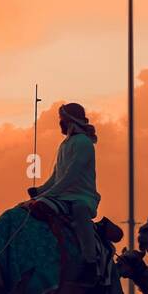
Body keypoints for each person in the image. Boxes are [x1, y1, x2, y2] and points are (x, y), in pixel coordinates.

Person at [28, 102, 101, 281]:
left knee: (79, 210)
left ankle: (90, 261)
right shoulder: (64, 145)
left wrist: (47, 195)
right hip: (61, 195)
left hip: (81, 197)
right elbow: (56, 176)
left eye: (62, 120)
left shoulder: (84, 143)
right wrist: (40, 190)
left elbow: (71, 176)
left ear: (70, 121)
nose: (59, 123)